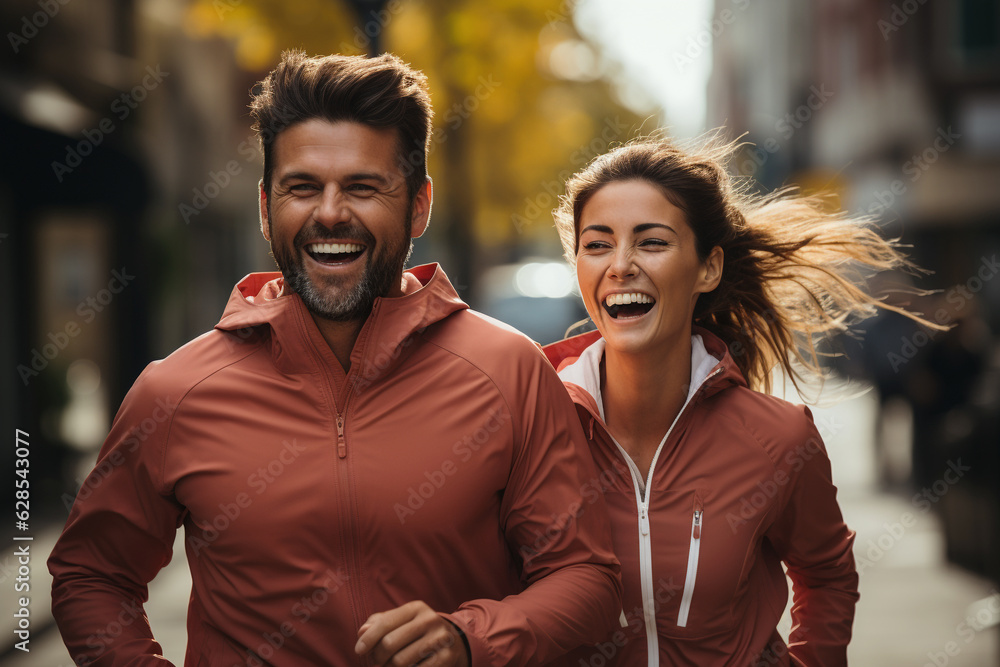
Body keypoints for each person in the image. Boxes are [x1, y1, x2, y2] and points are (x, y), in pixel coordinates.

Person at [48, 51, 622, 667]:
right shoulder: (176, 391)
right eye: (302, 187)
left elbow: (587, 578)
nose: (328, 213)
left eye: (362, 186)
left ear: (419, 206)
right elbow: (91, 575)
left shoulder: (510, 370)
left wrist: (471, 640)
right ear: (267, 208)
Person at [542, 135, 939, 666]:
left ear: (708, 268)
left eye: (652, 242)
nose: (620, 265)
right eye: (597, 244)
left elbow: (827, 576)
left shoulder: (779, 439)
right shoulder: (532, 424)